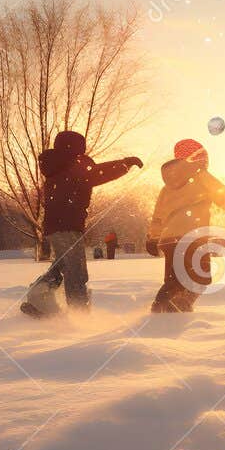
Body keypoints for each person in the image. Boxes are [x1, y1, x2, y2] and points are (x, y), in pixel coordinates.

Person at [21, 132, 143, 319]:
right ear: (76, 148)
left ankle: (38, 296)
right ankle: (79, 316)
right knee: (76, 271)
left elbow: (94, 174)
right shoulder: (74, 166)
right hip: (68, 226)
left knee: (63, 264)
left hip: (56, 227)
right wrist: (125, 164)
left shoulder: (55, 166)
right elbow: (99, 173)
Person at [145, 139, 225, 313]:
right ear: (201, 157)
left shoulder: (167, 188)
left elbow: (158, 215)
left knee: (174, 279)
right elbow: (222, 195)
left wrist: (154, 237)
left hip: (169, 240)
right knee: (201, 278)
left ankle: (167, 309)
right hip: (193, 237)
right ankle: (172, 307)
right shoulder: (200, 175)